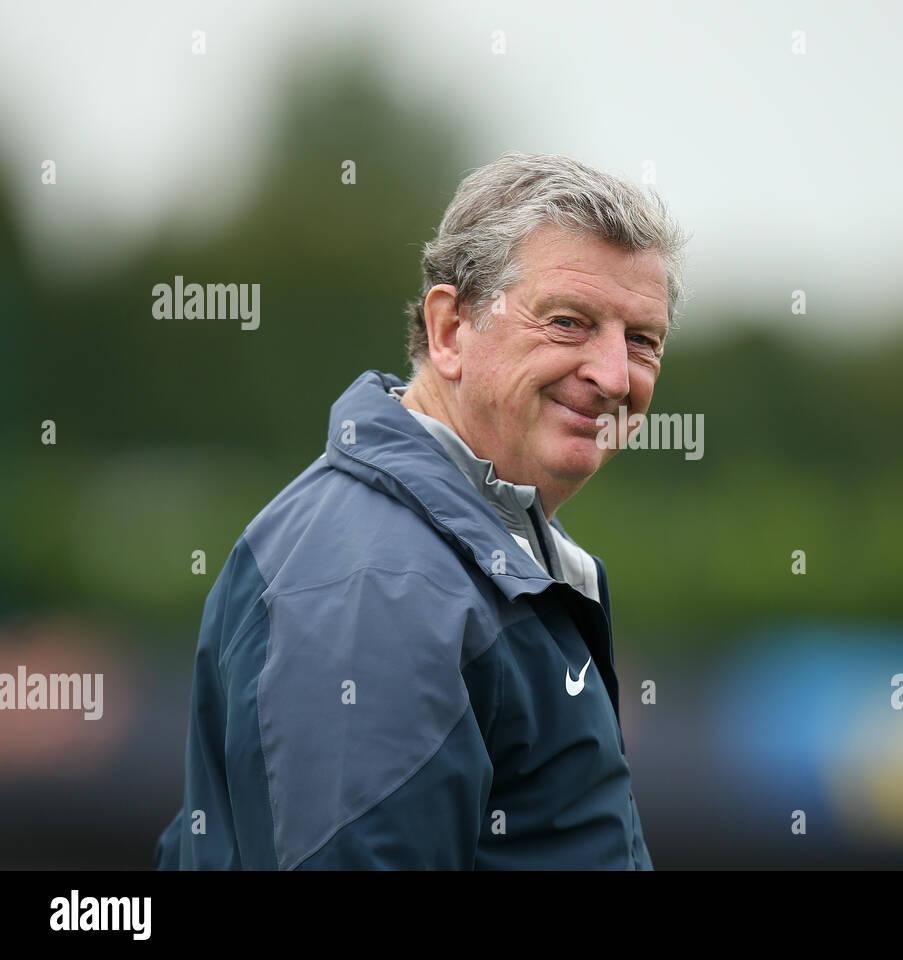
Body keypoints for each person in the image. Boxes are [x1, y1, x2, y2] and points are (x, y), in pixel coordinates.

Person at [153, 152, 689, 869]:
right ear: (448, 330)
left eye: (642, 341)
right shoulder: (376, 582)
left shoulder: (469, 547)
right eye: (568, 322)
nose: (615, 375)